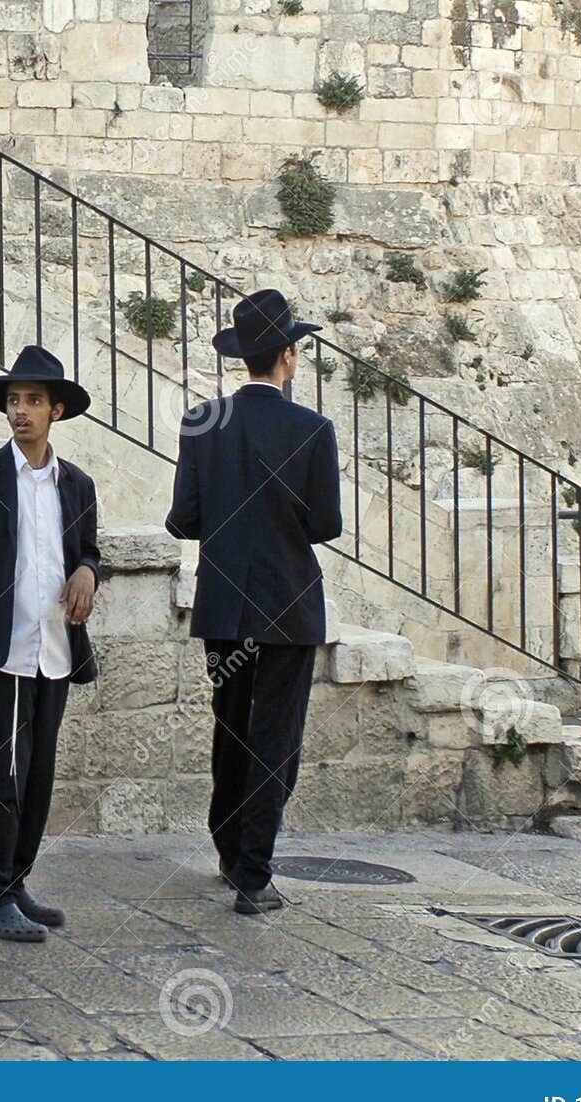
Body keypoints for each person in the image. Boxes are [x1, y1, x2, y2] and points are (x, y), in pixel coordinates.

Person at [164, 288, 343, 915]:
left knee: (232, 730)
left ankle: (230, 849)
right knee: (276, 738)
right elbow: (326, 525)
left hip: (225, 605)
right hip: (289, 605)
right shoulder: (313, 430)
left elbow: (182, 520)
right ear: (288, 357)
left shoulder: (201, 424)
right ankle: (255, 871)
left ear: (245, 356)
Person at [0, 346, 100, 943]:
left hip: (56, 649)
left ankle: (15, 881)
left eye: (33, 401)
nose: (20, 411)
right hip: (2, 649)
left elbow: (87, 550)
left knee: (36, 777)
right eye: (13, 401)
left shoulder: (76, 484)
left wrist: (88, 571)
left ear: (56, 410)